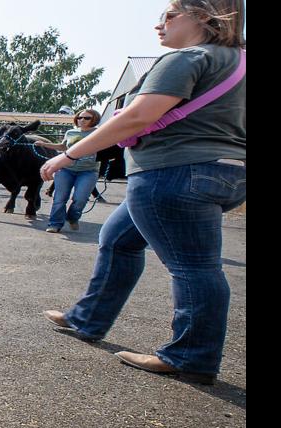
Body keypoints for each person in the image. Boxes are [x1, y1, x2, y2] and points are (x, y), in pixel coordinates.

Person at [40, 0, 244, 383]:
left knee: (194, 267)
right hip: (226, 173)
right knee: (118, 240)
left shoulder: (188, 58)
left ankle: (191, 358)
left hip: (172, 174)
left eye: (169, 15)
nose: (159, 25)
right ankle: (88, 318)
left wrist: (66, 156)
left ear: (204, 17)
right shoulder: (237, 63)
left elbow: (137, 115)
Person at [33, 108, 101, 232]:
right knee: (59, 198)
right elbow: (63, 146)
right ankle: (55, 224)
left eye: (87, 118)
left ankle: (72, 217)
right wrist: (44, 144)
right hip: (66, 169)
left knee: (80, 198)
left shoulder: (99, 133)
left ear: (94, 119)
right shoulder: (70, 133)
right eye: (80, 117)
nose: (82, 120)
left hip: (89, 171)